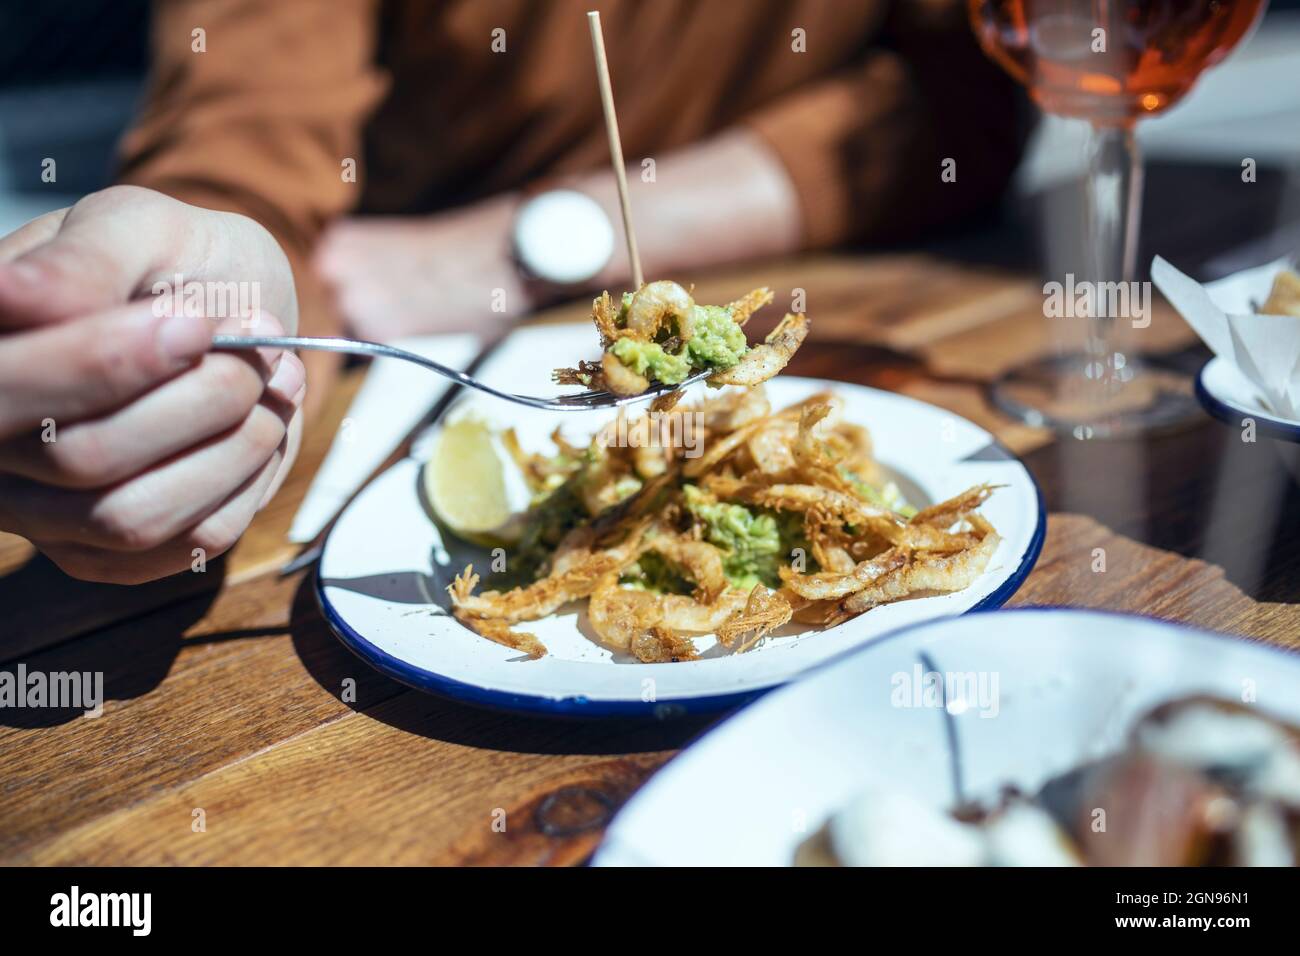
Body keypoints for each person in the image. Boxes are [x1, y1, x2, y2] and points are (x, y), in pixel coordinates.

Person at [0, 0, 1023, 583]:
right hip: (378, 386)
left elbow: (968, 95)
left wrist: (526, 244)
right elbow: (240, 154)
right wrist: (211, 292)